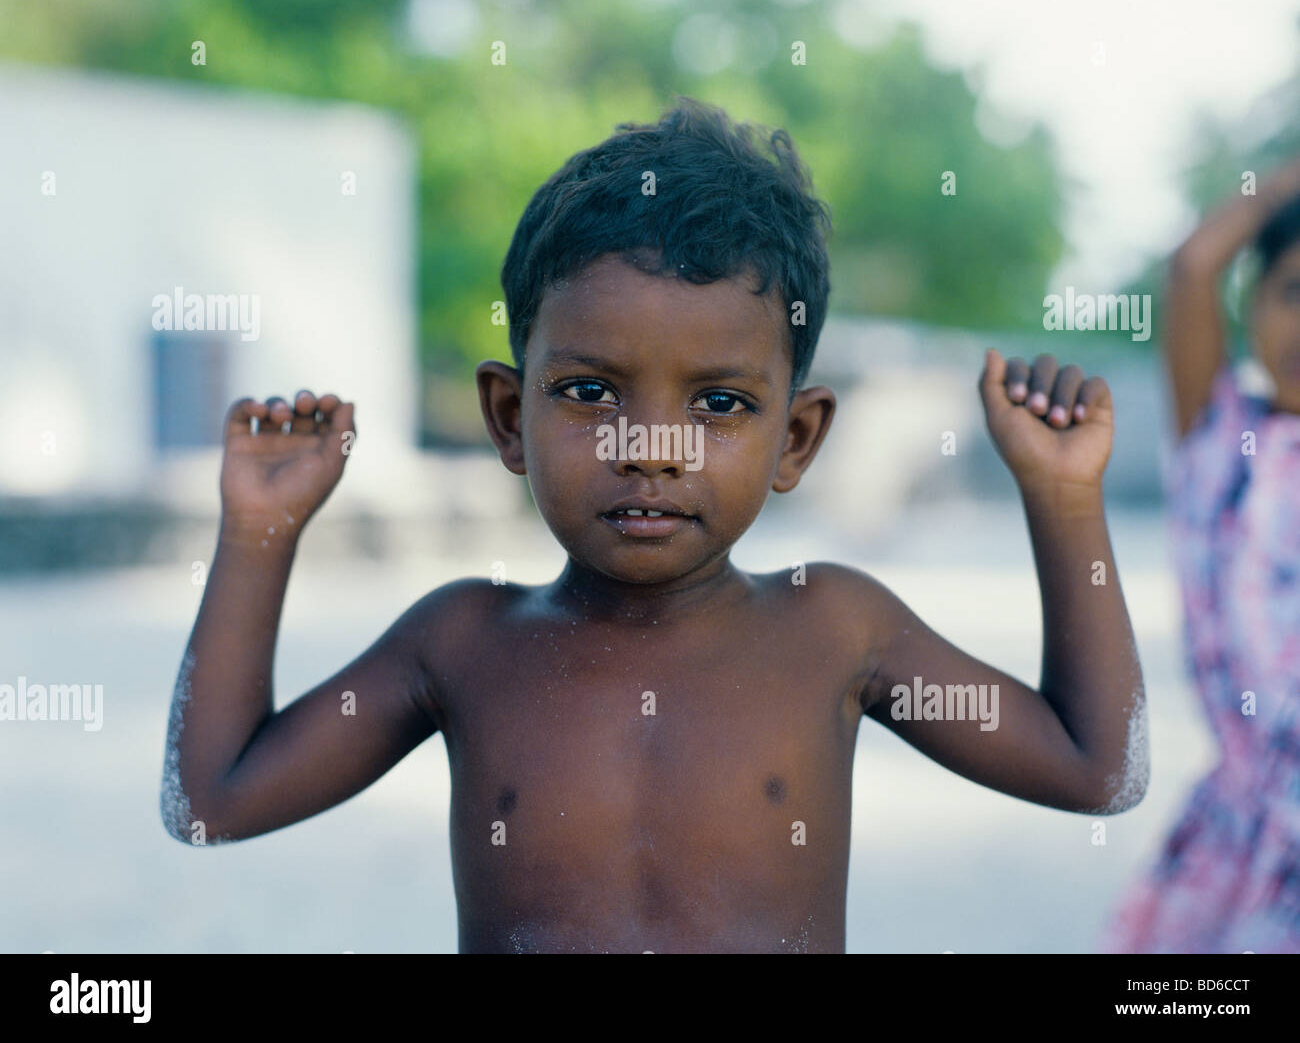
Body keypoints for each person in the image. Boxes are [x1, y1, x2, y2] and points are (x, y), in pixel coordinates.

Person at [161, 97, 1147, 953]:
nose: (652, 447)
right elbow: (212, 801)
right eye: (591, 391)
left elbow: (1094, 766)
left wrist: (1062, 501)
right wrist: (260, 530)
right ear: (511, 416)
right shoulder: (459, 642)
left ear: (795, 438)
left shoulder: (836, 630)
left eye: (718, 405)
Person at [1102, 157, 1300, 954]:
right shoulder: (1221, 442)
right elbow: (1192, 264)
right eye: (1292, 294)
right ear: (1251, 305)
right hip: (1235, 828)